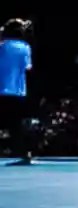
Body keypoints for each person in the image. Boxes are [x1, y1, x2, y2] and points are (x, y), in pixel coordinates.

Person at [0, 18, 34, 165]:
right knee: (16, 125)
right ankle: (25, 153)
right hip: (19, 92)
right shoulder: (26, 47)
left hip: (2, 89)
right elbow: (28, 67)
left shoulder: (2, 46)